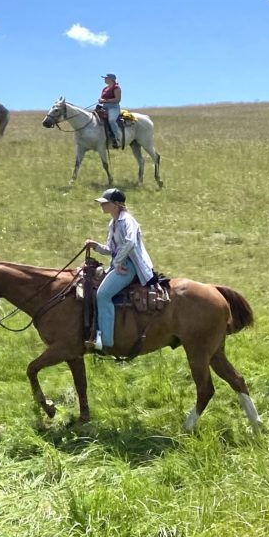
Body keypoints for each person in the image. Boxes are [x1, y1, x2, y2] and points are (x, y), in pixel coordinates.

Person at [83, 187, 154, 352]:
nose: (102, 205)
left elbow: (130, 243)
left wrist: (117, 263)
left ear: (116, 204)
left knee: (103, 294)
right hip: (120, 263)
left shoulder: (127, 220)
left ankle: (105, 341)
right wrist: (96, 246)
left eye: (105, 203)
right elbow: (111, 249)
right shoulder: (113, 222)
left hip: (130, 265)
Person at [96, 73, 122, 147]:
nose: (104, 79)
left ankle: (118, 138)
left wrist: (104, 100)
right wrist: (100, 100)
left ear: (111, 79)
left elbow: (117, 99)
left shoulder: (116, 88)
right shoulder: (104, 88)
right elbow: (102, 98)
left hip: (113, 107)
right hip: (104, 107)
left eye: (106, 78)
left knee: (112, 120)